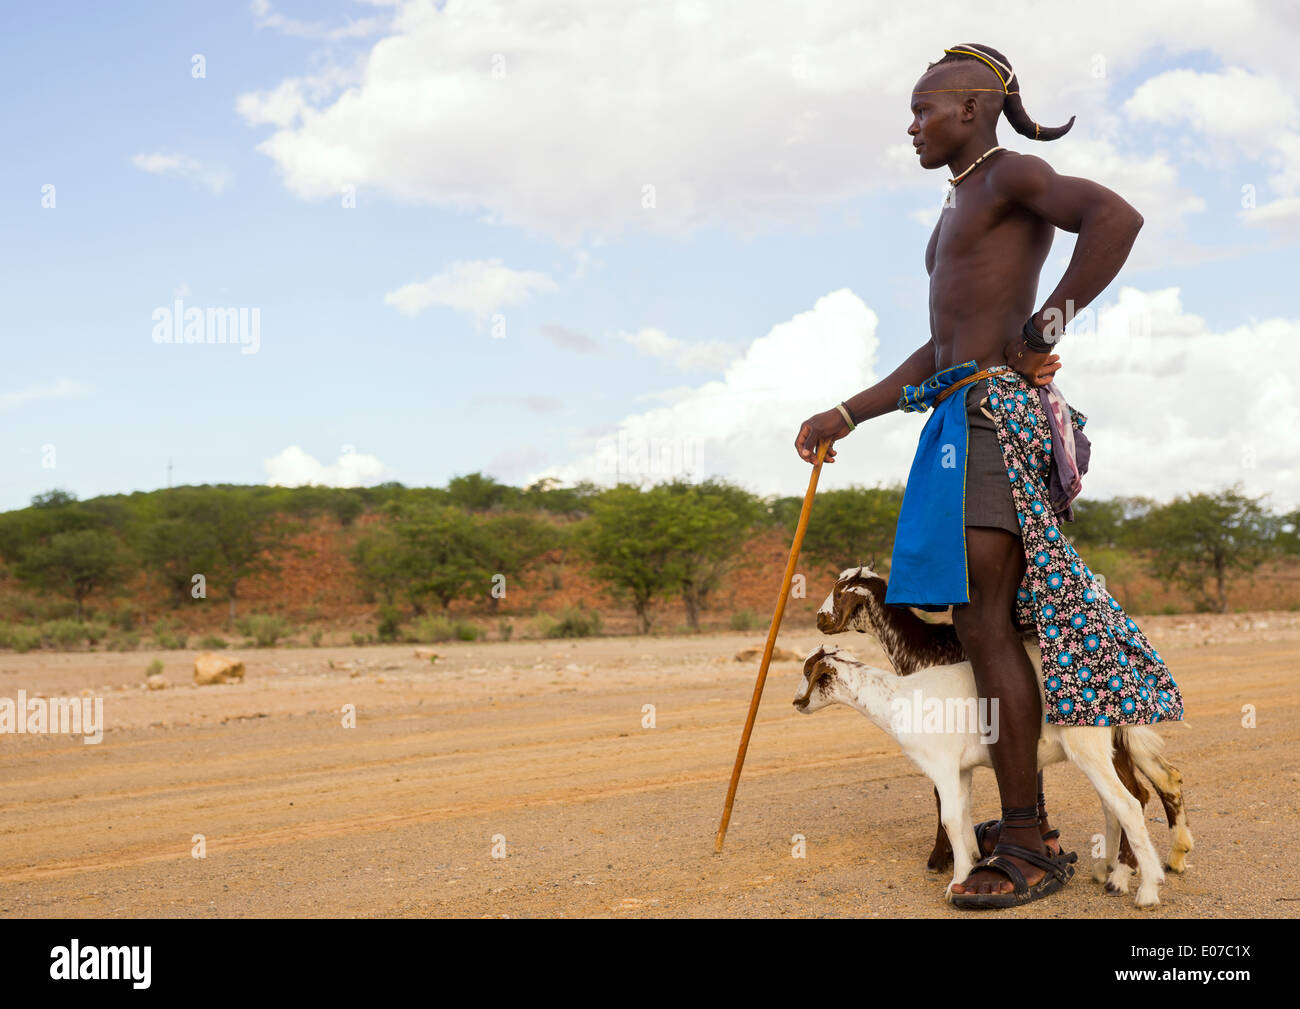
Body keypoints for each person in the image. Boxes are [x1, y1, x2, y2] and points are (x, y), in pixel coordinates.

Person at [794, 42, 1183, 908]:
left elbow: (1116, 217)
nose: (911, 125)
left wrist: (1048, 322)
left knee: (987, 622)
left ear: (971, 108)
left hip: (992, 419)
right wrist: (846, 414)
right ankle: (1022, 821)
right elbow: (939, 350)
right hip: (951, 419)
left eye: (923, 109)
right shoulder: (957, 208)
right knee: (975, 620)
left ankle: (1027, 838)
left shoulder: (1013, 176)